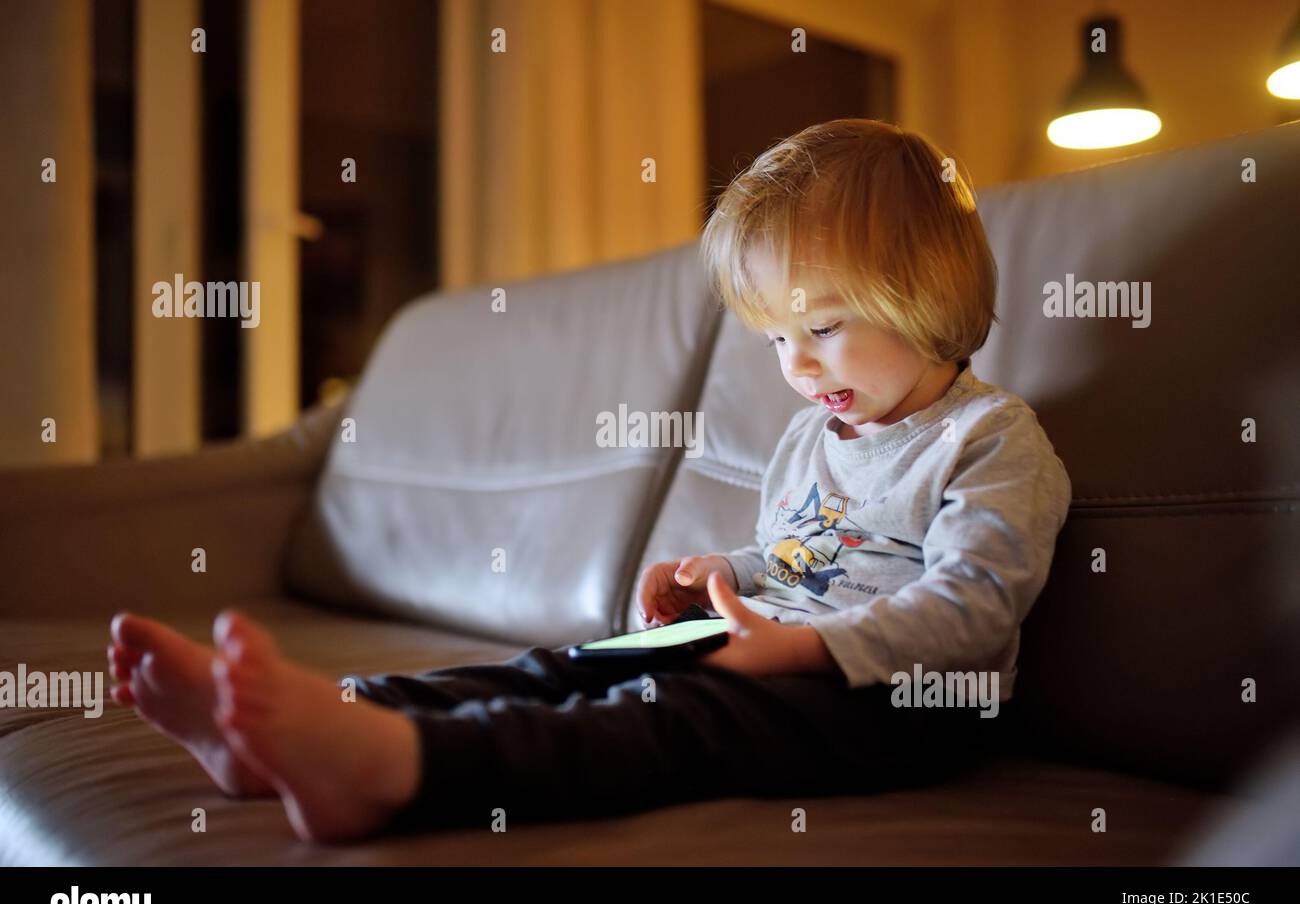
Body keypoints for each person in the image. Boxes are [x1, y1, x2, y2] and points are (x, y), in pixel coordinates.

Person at [108, 119, 1072, 843]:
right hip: (772, 651)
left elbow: (976, 604)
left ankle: (399, 770)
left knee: (659, 724)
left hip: (899, 707)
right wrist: (721, 574)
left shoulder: (989, 439)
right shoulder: (815, 431)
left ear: (926, 294)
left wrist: (803, 654)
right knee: (566, 668)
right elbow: (796, 556)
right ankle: (304, 723)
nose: (798, 367)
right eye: (777, 338)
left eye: (820, 329)